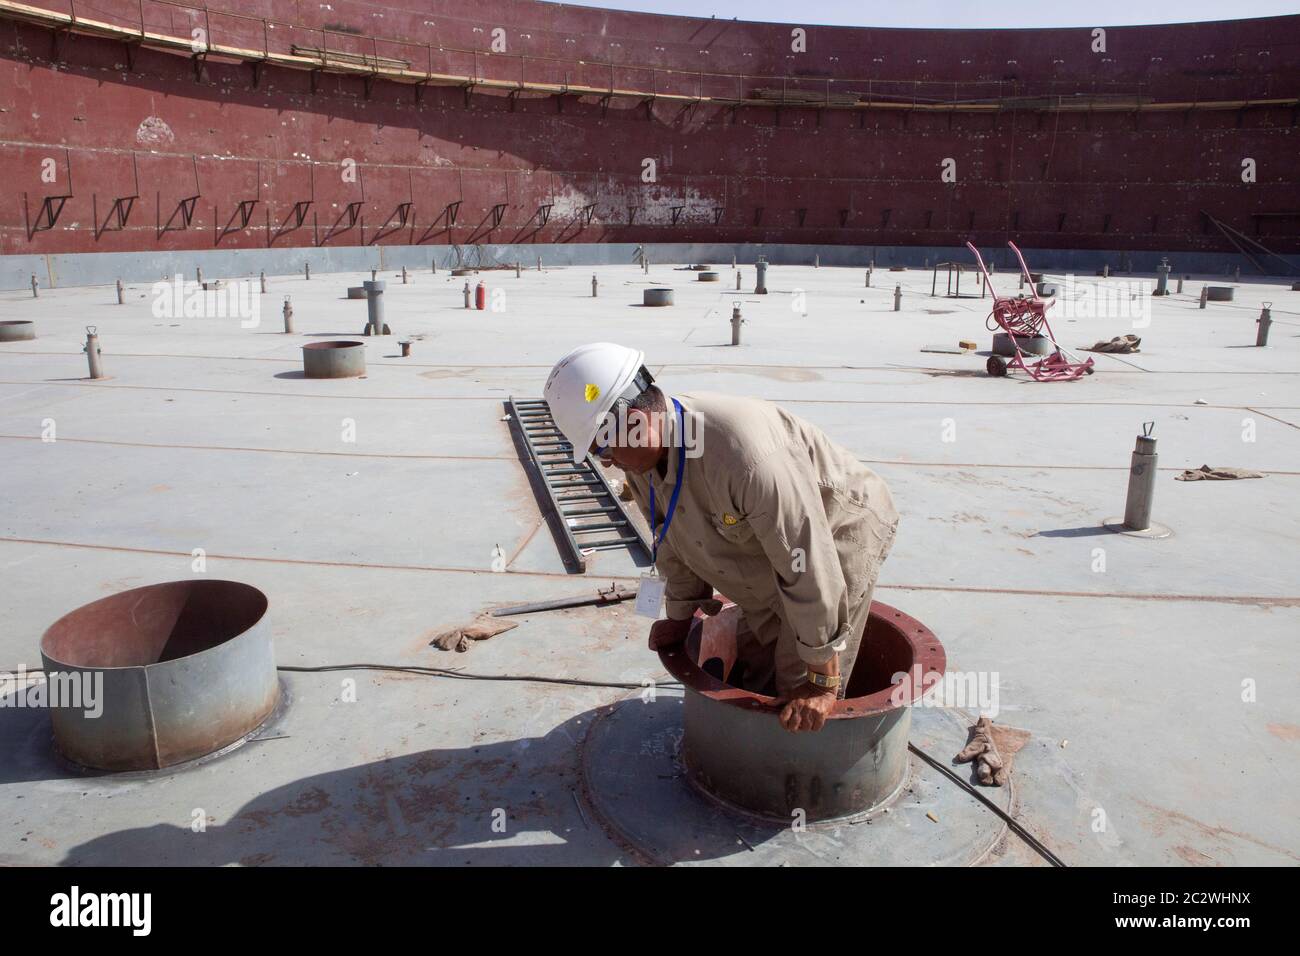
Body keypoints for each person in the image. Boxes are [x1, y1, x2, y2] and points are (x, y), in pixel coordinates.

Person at [544, 343, 898, 733]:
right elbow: (672, 542)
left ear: (636, 419)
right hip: (772, 542)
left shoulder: (743, 455)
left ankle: (801, 779)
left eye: (604, 448)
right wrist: (679, 618)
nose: (606, 461)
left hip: (838, 527)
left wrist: (822, 681)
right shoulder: (641, 459)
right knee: (758, 657)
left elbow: (808, 562)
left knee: (796, 682)